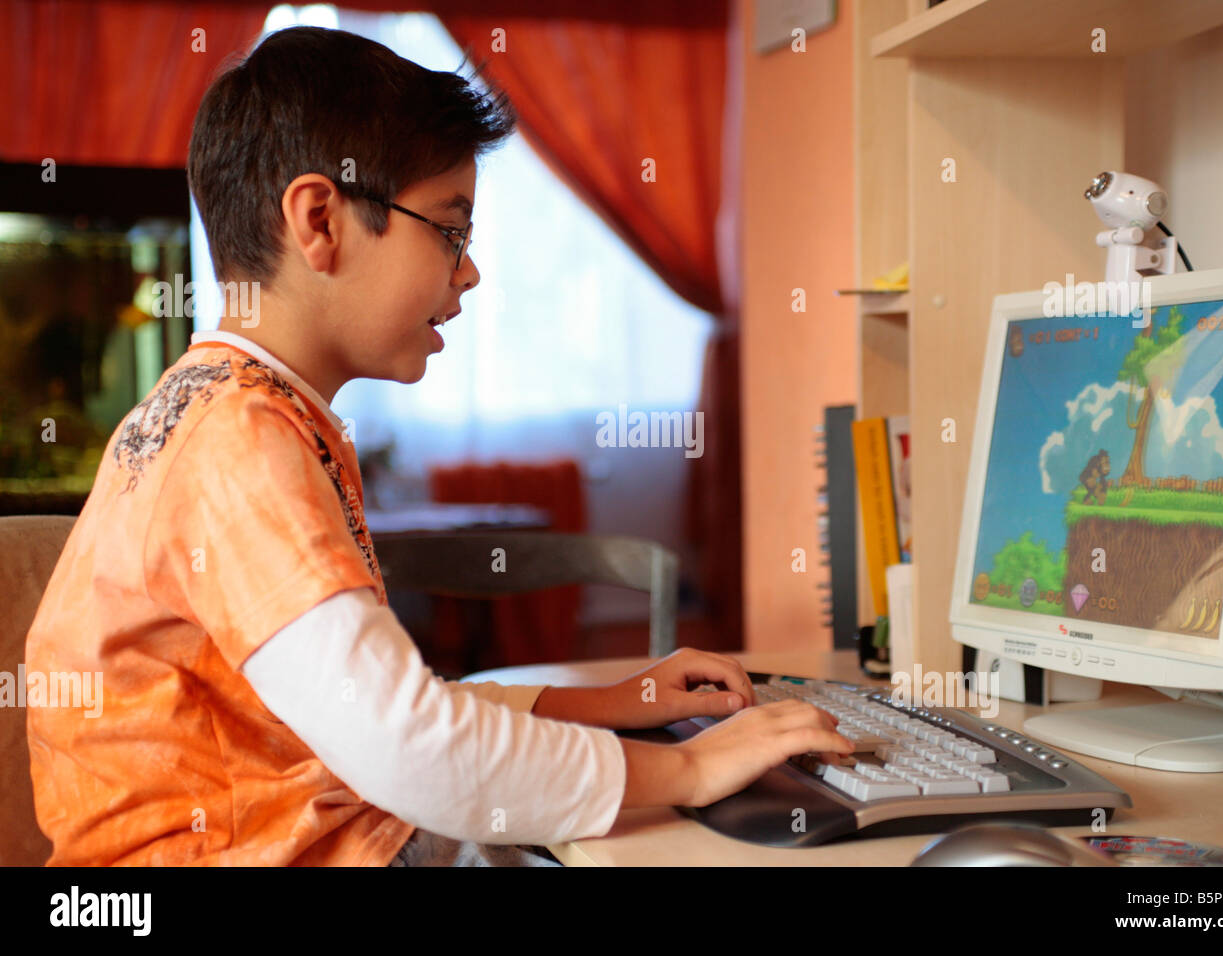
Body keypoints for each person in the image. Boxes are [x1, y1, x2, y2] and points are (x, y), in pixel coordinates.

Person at [25, 25, 852, 867]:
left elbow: (385, 712)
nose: (469, 272)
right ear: (321, 220)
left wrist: (619, 700)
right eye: (450, 230)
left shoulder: (236, 409)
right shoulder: (239, 441)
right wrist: (689, 766)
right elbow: (410, 744)